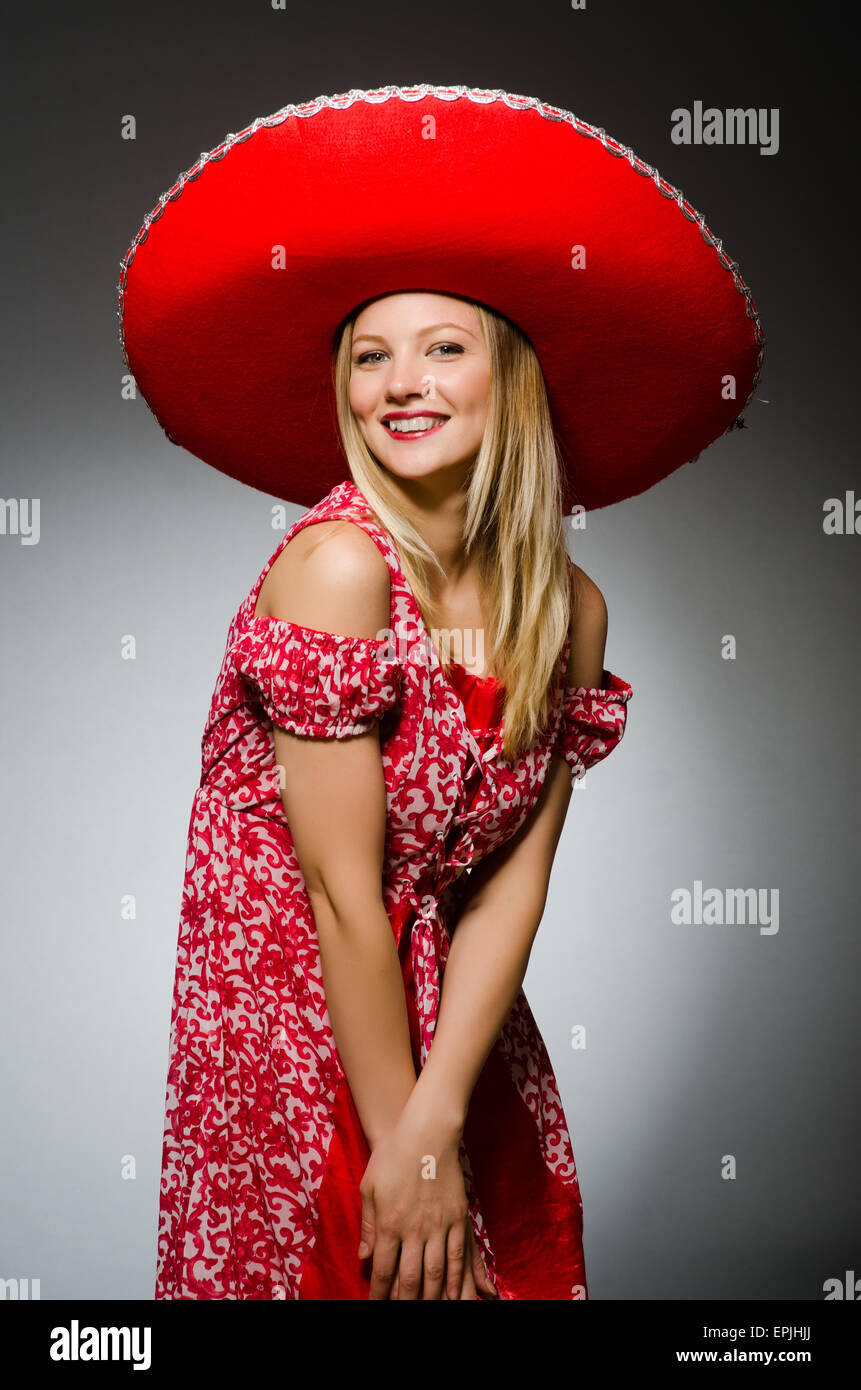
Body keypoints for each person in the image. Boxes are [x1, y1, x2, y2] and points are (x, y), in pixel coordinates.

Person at [118, 85, 762, 1300]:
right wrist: (403, 1140)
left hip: (461, 1028)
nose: (399, 383)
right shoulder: (337, 567)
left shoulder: (569, 607)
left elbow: (516, 876)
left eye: (442, 347)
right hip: (303, 1038)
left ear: (507, 376)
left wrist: (445, 1108)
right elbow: (340, 891)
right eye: (370, 355)